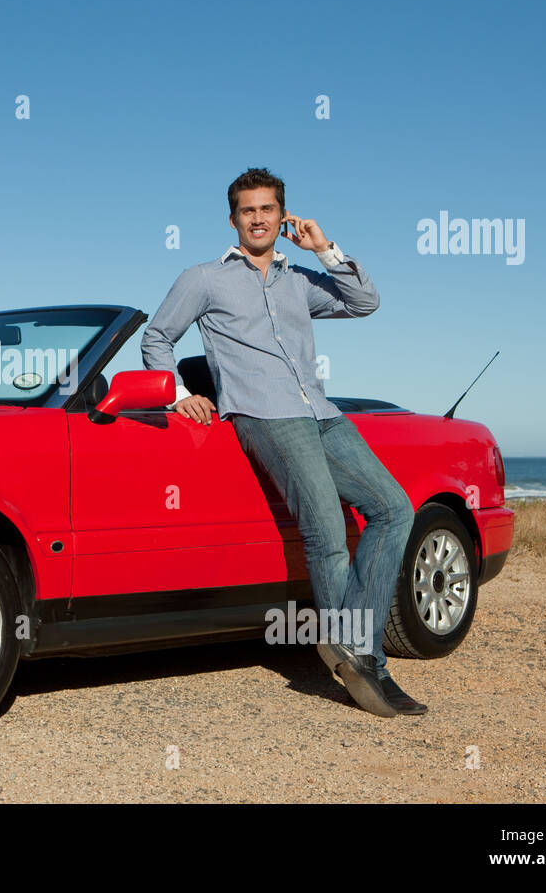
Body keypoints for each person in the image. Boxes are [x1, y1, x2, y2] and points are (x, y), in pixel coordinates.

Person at [140, 167, 425, 717]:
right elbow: (157, 337)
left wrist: (326, 248)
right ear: (233, 219)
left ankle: (354, 650)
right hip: (265, 415)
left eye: (268, 209)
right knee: (326, 532)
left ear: (282, 215)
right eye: (248, 210)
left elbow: (364, 302)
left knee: (393, 507)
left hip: (320, 412)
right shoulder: (203, 278)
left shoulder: (299, 282)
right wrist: (176, 394)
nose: (258, 218)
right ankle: (367, 665)